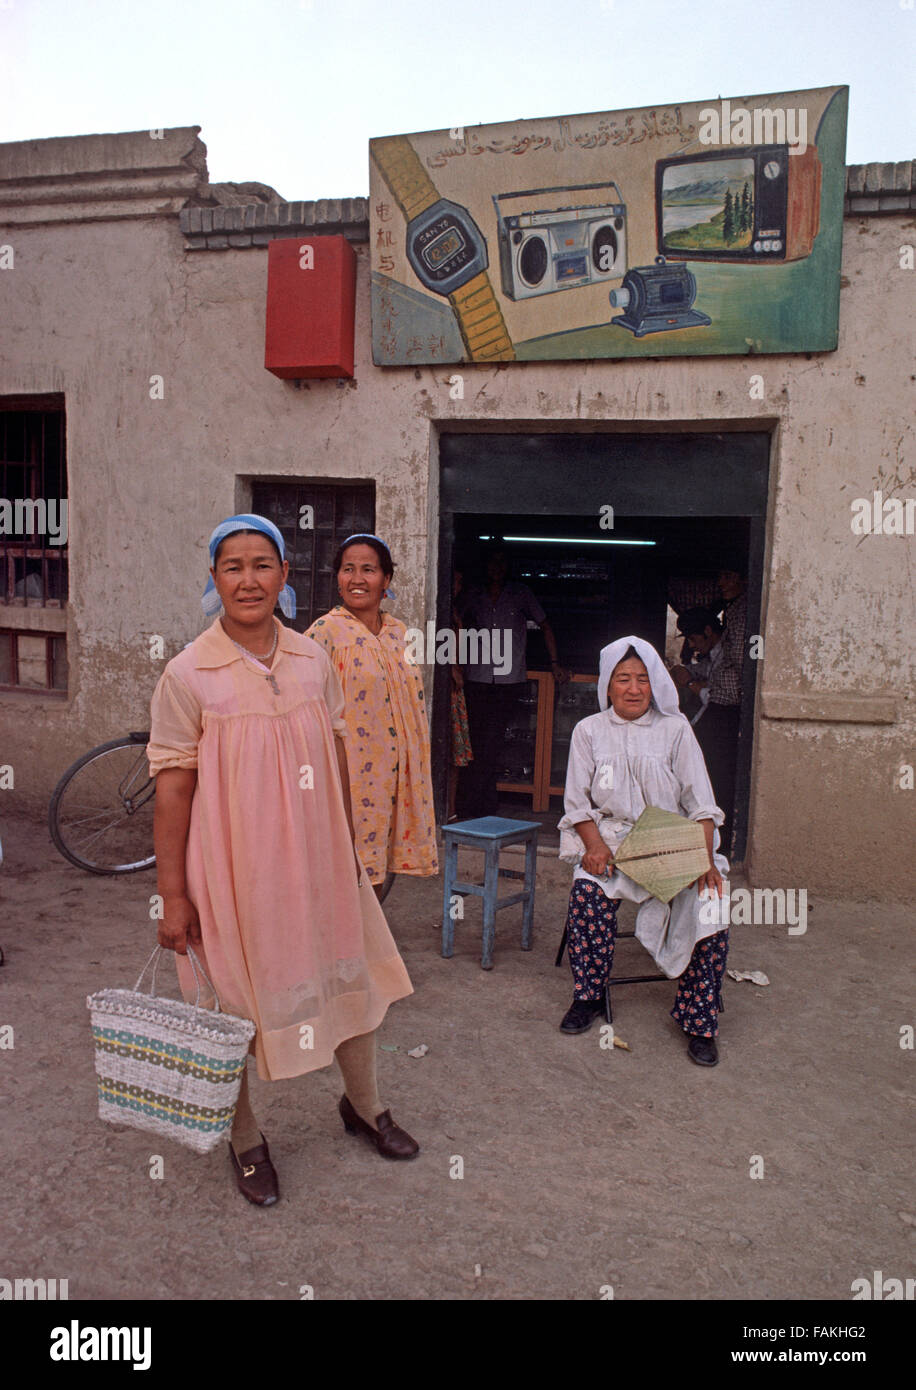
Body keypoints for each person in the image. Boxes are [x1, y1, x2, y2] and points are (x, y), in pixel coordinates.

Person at [147, 514, 419, 1209]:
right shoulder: (187, 674)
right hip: (233, 871)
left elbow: (333, 755)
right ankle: (245, 1140)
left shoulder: (311, 659)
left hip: (320, 861)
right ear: (213, 579)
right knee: (229, 1003)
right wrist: (173, 895)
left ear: (284, 577)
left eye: (262, 564)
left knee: (348, 977)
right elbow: (173, 792)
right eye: (232, 566)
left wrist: (348, 846)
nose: (248, 578)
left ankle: (365, 1107)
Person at [557, 636, 730, 1066]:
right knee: (588, 895)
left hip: (670, 839)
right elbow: (577, 803)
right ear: (608, 685)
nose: (633, 689)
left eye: (642, 679)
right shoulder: (588, 731)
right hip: (612, 839)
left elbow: (702, 804)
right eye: (622, 679)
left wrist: (703, 860)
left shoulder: (675, 730)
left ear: (654, 685)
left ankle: (698, 1019)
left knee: (709, 901)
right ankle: (589, 995)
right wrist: (593, 845)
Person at [306, 534, 437, 899]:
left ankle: (362, 945)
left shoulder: (399, 633)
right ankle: (344, 946)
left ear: (387, 580)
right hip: (349, 775)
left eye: (368, 569)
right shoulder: (324, 633)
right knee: (346, 864)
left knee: (375, 871)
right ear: (337, 578)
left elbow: (411, 703)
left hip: (393, 776)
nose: (357, 578)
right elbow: (307, 707)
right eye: (348, 569)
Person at [456, 546, 568, 817]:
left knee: (493, 742)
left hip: (509, 680)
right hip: (477, 677)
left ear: (507, 567)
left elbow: (546, 626)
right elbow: (454, 619)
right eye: (491, 563)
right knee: (477, 742)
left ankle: (479, 806)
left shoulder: (520, 593)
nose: (496, 569)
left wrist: (555, 663)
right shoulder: (474, 594)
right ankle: (477, 805)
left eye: (501, 563)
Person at [672, 601, 742, 851]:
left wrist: (691, 683)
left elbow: (726, 693)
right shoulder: (714, 656)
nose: (691, 645)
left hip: (723, 723)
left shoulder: (729, 656)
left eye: (693, 638)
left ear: (709, 632)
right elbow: (703, 671)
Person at [447, 567, 473, 822]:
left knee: (455, 753)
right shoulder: (443, 612)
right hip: (448, 687)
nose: (458, 584)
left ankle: (451, 809)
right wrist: (453, 668)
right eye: (456, 578)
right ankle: (448, 809)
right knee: (450, 752)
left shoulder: (454, 610)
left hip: (456, 688)